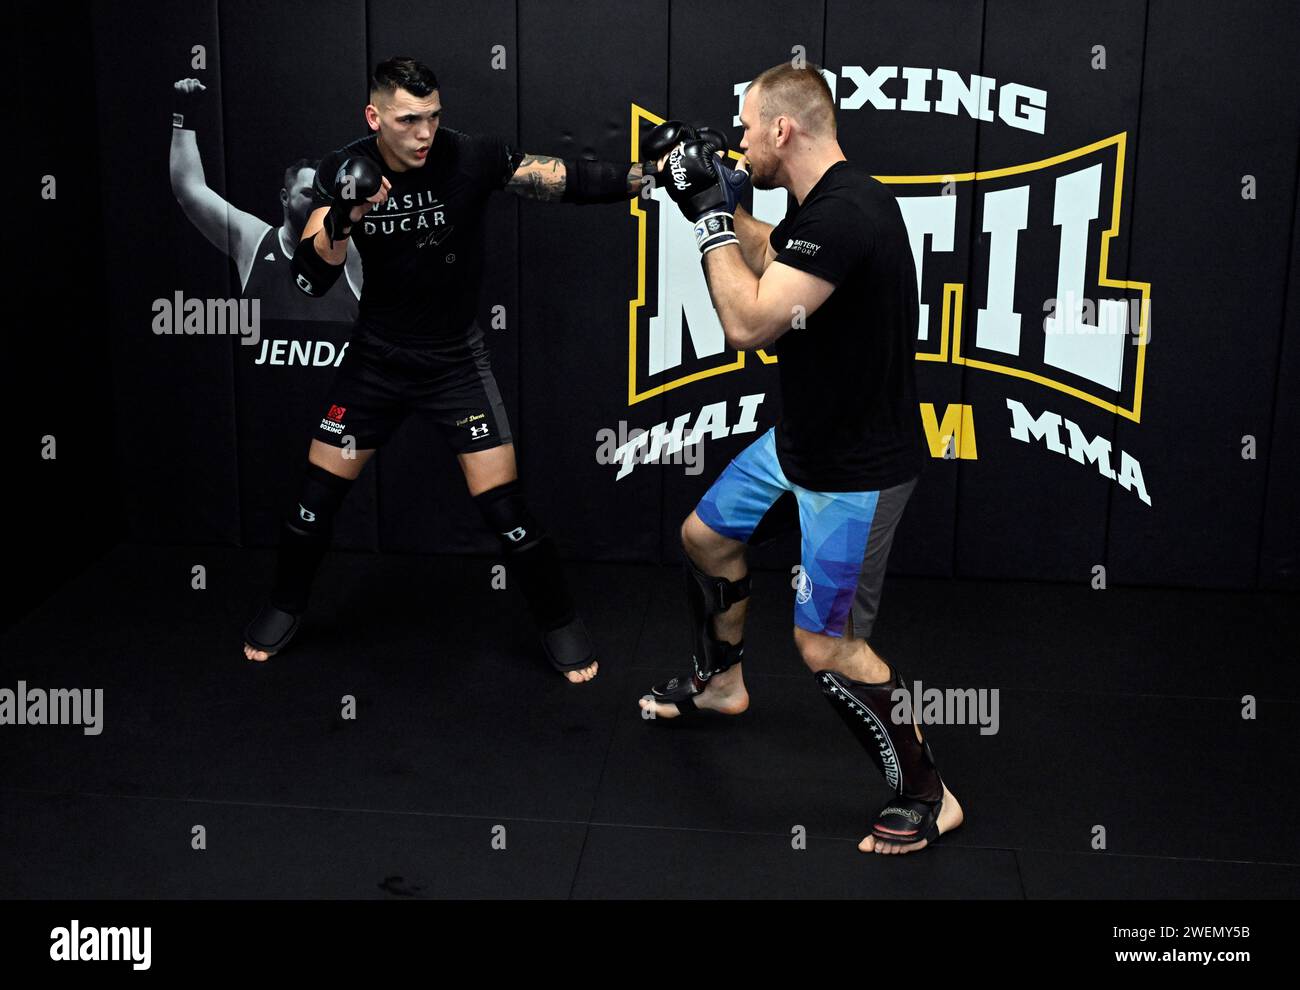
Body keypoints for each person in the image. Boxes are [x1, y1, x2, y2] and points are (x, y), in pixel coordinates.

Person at [639, 63, 964, 853]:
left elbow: (750, 323)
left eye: (747, 129)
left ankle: (930, 793)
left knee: (828, 647)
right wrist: (719, 200)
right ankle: (722, 685)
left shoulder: (851, 212)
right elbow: (772, 249)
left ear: (783, 129)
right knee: (705, 538)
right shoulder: (827, 205)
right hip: (801, 445)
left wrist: (710, 216)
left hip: (859, 471)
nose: (742, 142)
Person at [242, 56, 647, 683]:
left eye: (432, 117)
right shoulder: (343, 168)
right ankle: (283, 605)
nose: (424, 133)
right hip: (376, 360)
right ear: (375, 117)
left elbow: (560, 178)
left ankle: (559, 620)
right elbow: (309, 277)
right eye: (408, 120)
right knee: (313, 505)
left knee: (507, 515)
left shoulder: (470, 156)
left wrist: (649, 177)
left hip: (454, 361)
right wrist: (347, 214)